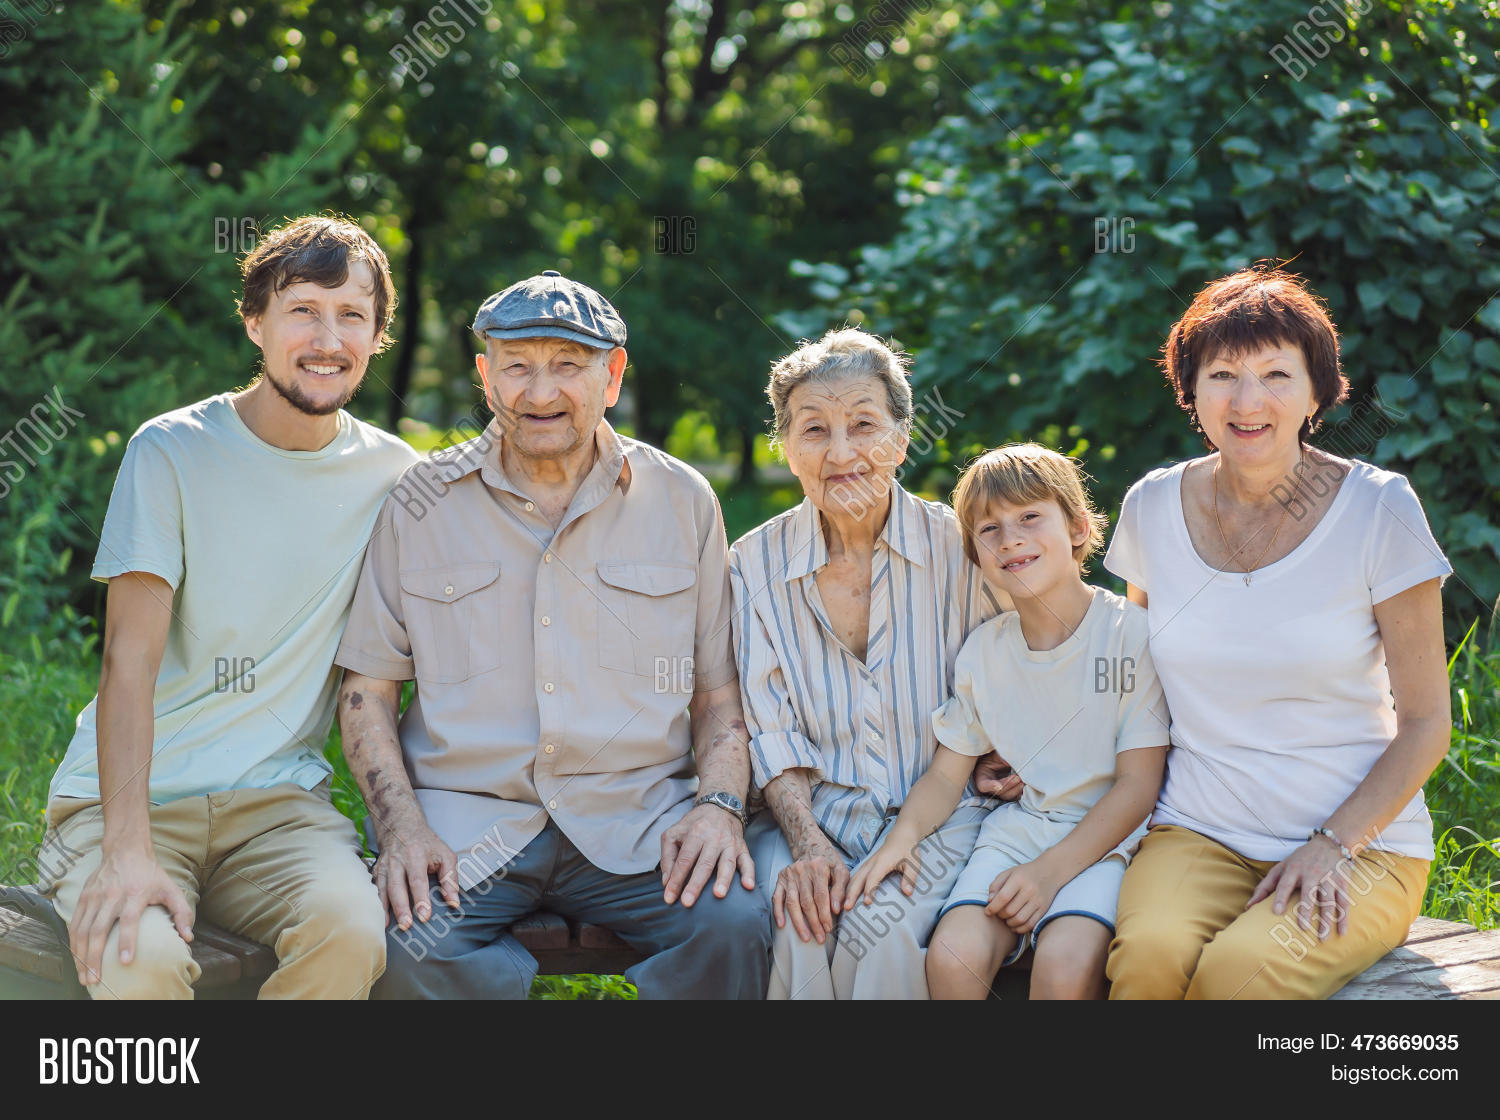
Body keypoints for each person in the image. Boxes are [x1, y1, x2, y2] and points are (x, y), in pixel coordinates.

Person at [335, 270, 771, 999]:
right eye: (517, 367)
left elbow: (719, 697)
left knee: (733, 924)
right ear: (485, 377)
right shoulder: (419, 503)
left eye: (567, 366)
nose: (540, 393)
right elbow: (366, 697)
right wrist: (404, 828)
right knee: (402, 943)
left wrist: (718, 808)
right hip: (466, 828)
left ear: (613, 374)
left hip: (637, 828)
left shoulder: (682, 500)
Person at [39, 215, 419, 999]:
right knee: (138, 965)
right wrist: (126, 849)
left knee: (350, 933)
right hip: (130, 800)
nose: (327, 337)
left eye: (352, 315)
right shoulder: (170, 451)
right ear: (255, 320)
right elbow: (128, 661)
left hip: (279, 809)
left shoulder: (395, 477)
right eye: (303, 310)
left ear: (377, 336)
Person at [1104, 267, 1453, 999]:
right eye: (1223, 374)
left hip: (1362, 845)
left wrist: (1332, 846)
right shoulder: (1152, 507)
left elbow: (1425, 726)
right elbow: (1133, 689)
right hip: (1197, 829)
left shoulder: (1379, 510)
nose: (1248, 400)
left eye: (1275, 374)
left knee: (1236, 980)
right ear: (1190, 390)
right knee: (1146, 959)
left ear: (1318, 391)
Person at [729, 327, 1018, 1000]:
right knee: (797, 923)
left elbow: (1024, 668)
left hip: (942, 816)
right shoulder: (752, 563)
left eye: (863, 425)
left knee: (880, 933)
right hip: (809, 814)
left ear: (903, 438)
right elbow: (768, 724)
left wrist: (1018, 751)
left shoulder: (963, 548)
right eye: (813, 429)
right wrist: (807, 844)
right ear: (785, 446)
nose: (840, 453)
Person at [847, 444, 1169, 999]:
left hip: (1108, 841)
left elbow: (1138, 787)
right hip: (1019, 833)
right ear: (974, 553)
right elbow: (948, 776)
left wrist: (1049, 874)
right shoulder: (985, 652)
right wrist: (902, 836)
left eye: (1028, 517)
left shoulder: (1126, 637)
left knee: (1064, 967)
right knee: (952, 958)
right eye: (988, 529)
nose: (1010, 539)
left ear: (1076, 526)